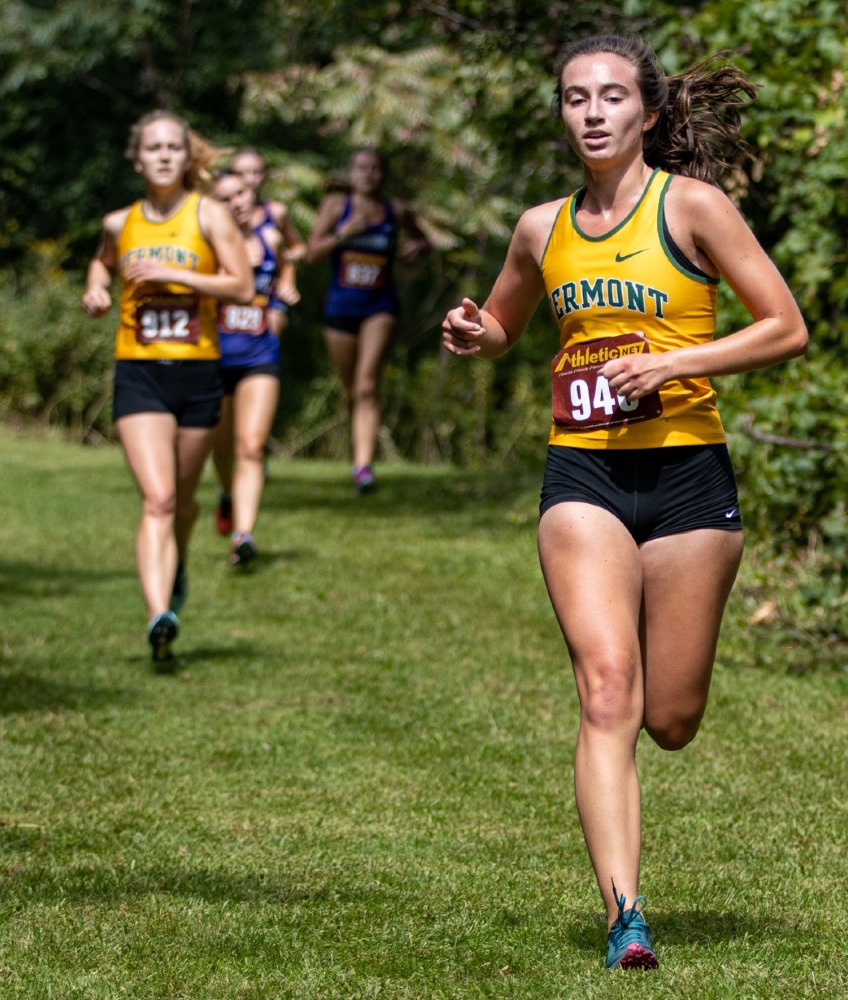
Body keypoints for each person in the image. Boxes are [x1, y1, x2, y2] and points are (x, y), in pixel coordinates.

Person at [441, 35, 806, 970]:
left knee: (669, 719)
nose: (593, 112)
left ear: (646, 111)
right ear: (562, 116)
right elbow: (505, 326)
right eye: (576, 98)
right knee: (608, 689)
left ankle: (655, 704)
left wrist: (676, 362)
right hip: (585, 476)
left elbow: (785, 327)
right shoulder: (541, 228)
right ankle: (626, 918)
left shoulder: (693, 206)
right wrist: (477, 333)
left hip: (688, 478)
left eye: (610, 95)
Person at [81, 110, 254, 668]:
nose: (162, 156)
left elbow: (242, 286)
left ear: (186, 157)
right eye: (152, 148)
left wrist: (175, 275)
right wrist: (96, 291)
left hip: (198, 373)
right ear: (137, 158)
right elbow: (101, 264)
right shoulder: (119, 223)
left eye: (173, 148)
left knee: (180, 500)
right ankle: (159, 613)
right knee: (157, 499)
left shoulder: (210, 216)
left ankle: (175, 567)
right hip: (139, 372)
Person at [305, 148, 429, 494]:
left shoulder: (395, 211)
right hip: (340, 309)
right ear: (351, 172)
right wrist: (343, 233)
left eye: (375, 168)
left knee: (367, 384)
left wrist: (417, 248)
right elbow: (311, 253)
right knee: (351, 391)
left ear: (383, 174)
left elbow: (423, 241)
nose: (368, 174)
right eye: (362, 168)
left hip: (380, 307)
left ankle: (363, 467)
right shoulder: (336, 207)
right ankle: (357, 447)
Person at [208, 170, 284, 568]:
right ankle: (228, 494)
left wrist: (282, 302)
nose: (236, 202)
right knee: (221, 450)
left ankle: (244, 534)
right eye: (225, 198)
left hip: (260, 356)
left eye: (240, 194)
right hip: (214, 359)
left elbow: (286, 269)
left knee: (251, 447)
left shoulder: (271, 239)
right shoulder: (206, 246)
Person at [229, 147, 304, 337]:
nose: (249, 179)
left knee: (271, 329)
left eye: (256, 172)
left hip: (267, 298)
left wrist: (287, 281)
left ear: (265, 175)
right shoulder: (217, 215)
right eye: (241, 173)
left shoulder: (275, 212)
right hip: (230, 300)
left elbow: (296, 249)